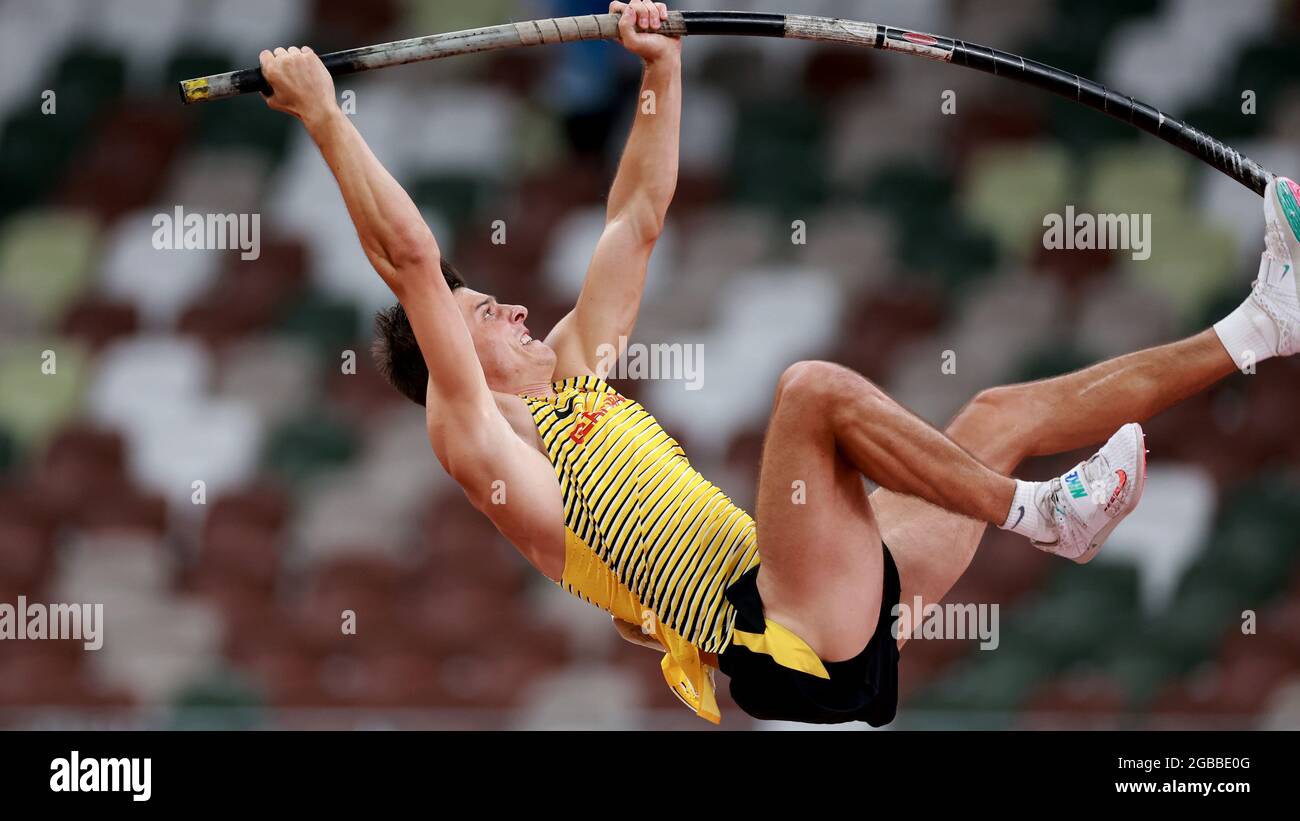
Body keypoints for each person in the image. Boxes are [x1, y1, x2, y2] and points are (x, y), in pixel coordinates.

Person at [256, 0, 1300, 724]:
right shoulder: (478, 426)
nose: (515, 304)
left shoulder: (572, 374)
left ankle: (1261, 323)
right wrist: (323, 116)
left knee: (996, 410)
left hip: (836, 605)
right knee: (809, 390)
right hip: (777, 638)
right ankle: (1039, 515)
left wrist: (662, 70)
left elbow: (638, 216)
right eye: (485, 311)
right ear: (451, 362)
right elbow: (409, 261)